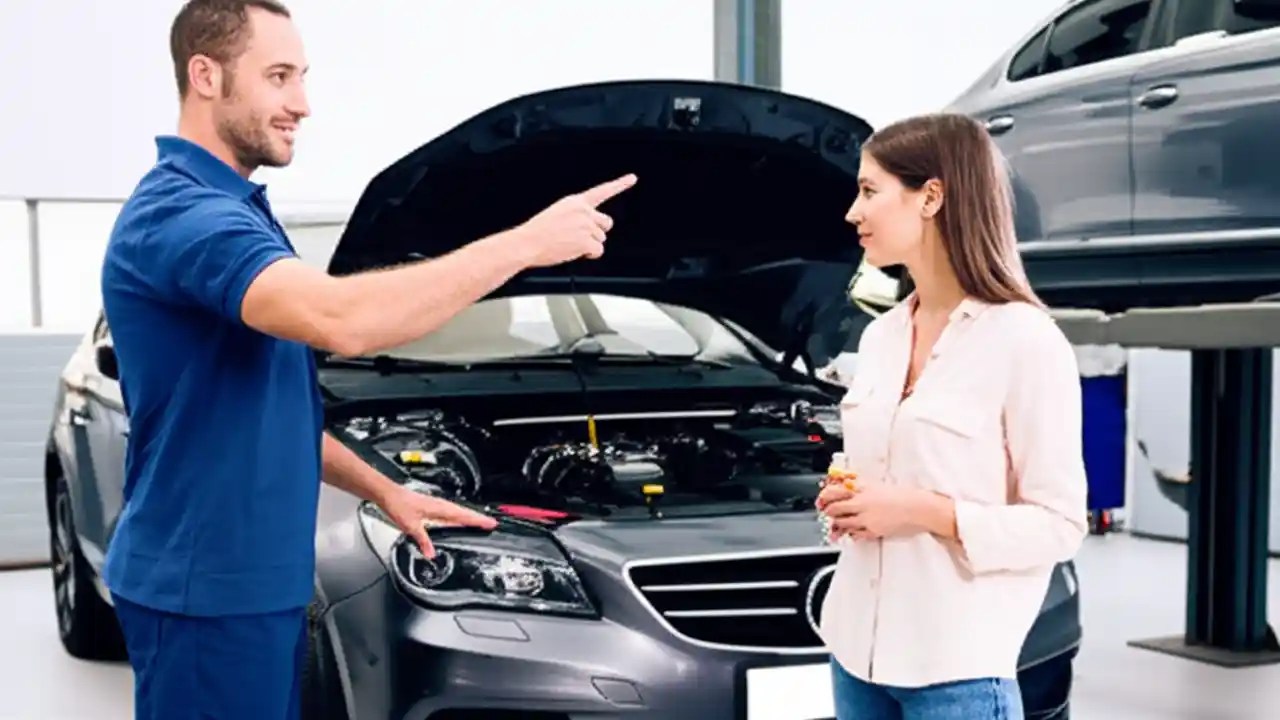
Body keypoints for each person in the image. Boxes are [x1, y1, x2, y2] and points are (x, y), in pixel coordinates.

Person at [98, 1, 636, 718]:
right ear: (206, 75)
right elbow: (340, 320)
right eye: (279, 76)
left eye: (303, 76)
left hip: (246, 588)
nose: (303, 103)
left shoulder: (236, 208)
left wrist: (386, 489)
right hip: (207, 594)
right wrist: (527, 243)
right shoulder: (184, 216)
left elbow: (266, 412)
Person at [815, 113, 1089, 719]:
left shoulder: (1025, 341)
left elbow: (1060, 525)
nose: (853, 213)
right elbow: (883, 471)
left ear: (931, 197)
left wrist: (919, 510)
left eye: (869, 190)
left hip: (956, 672)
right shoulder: (882, 336)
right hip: (855, 655)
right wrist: (848, 499)